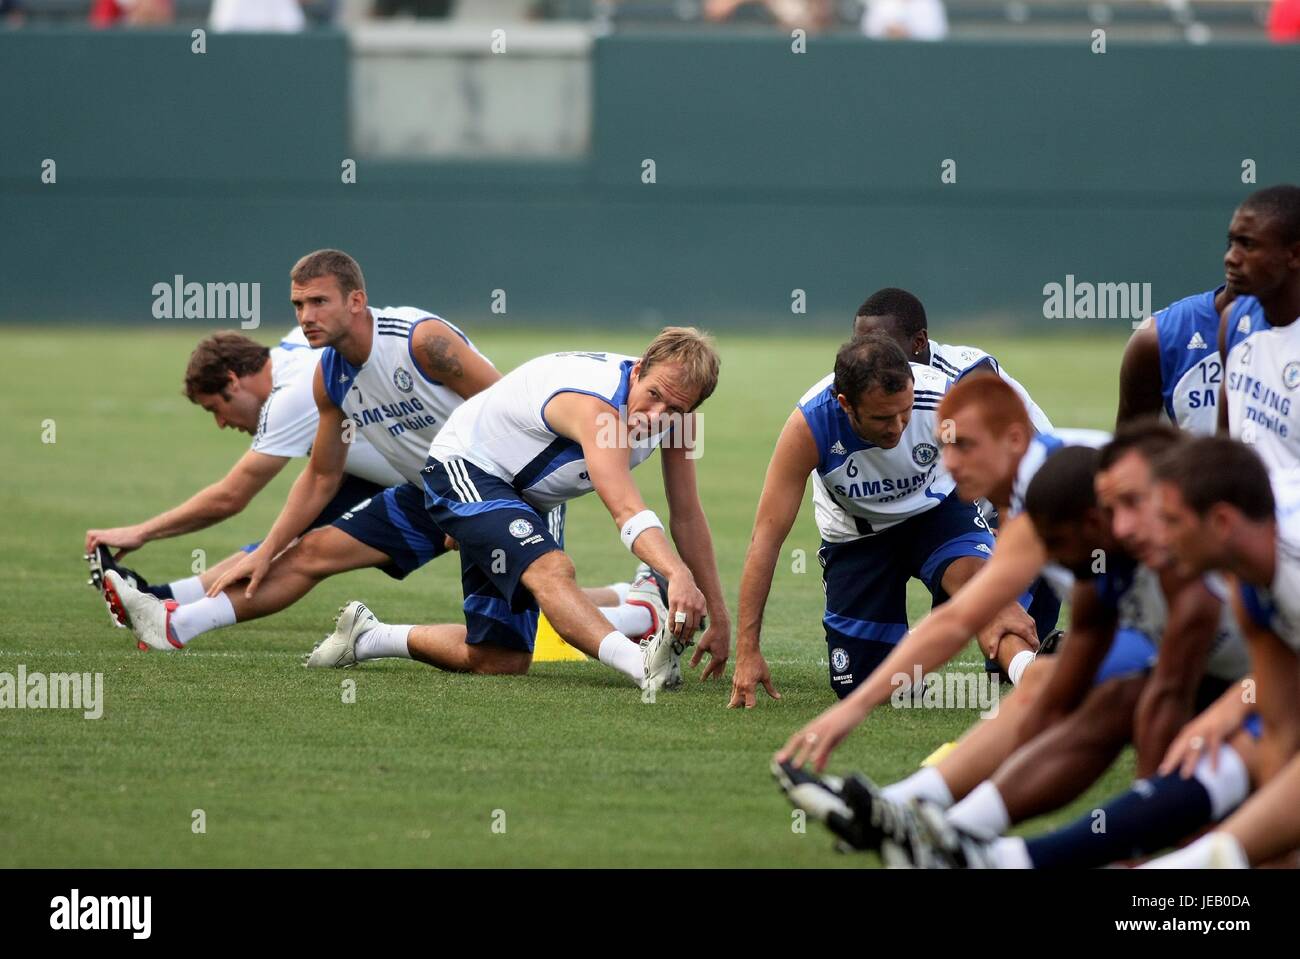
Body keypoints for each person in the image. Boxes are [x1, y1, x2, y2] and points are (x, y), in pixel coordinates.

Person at [318, 328, 733, 693]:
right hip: (463, 467)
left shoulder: (680, 421)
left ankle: (368, 637)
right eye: (654, 395)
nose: (657, 416)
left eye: (677, 409)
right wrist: (677, 574)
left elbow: (688, 517)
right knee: (552, 570)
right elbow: (626, 509)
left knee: (499, 660)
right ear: (639, 368)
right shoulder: (597, 404)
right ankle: (642, 666)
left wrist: (718, 615)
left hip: (524, 495)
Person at [728, 332, 1039, 709]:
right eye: (881, 417)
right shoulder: (809, 426)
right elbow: (766, 538)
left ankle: (1034, 677)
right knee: (865, 686)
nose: (898, 426)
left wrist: (1001, 579)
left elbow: (1008, 482)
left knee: (986, 597)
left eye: (905, 411)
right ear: (846, 404)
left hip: (937, 516)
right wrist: (747, 652)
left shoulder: (945, 398)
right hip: (856, 538)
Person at [85, 327, 402, 618]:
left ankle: (173, 618)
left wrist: (141, 532)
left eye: (214, 409)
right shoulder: (291, 348)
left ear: (233, 381)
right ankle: (159, 599)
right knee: (287, 538)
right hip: (374, 468)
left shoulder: (291, 397)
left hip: (428, 480)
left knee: (304, 552)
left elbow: (230, 497)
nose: (221, 423)